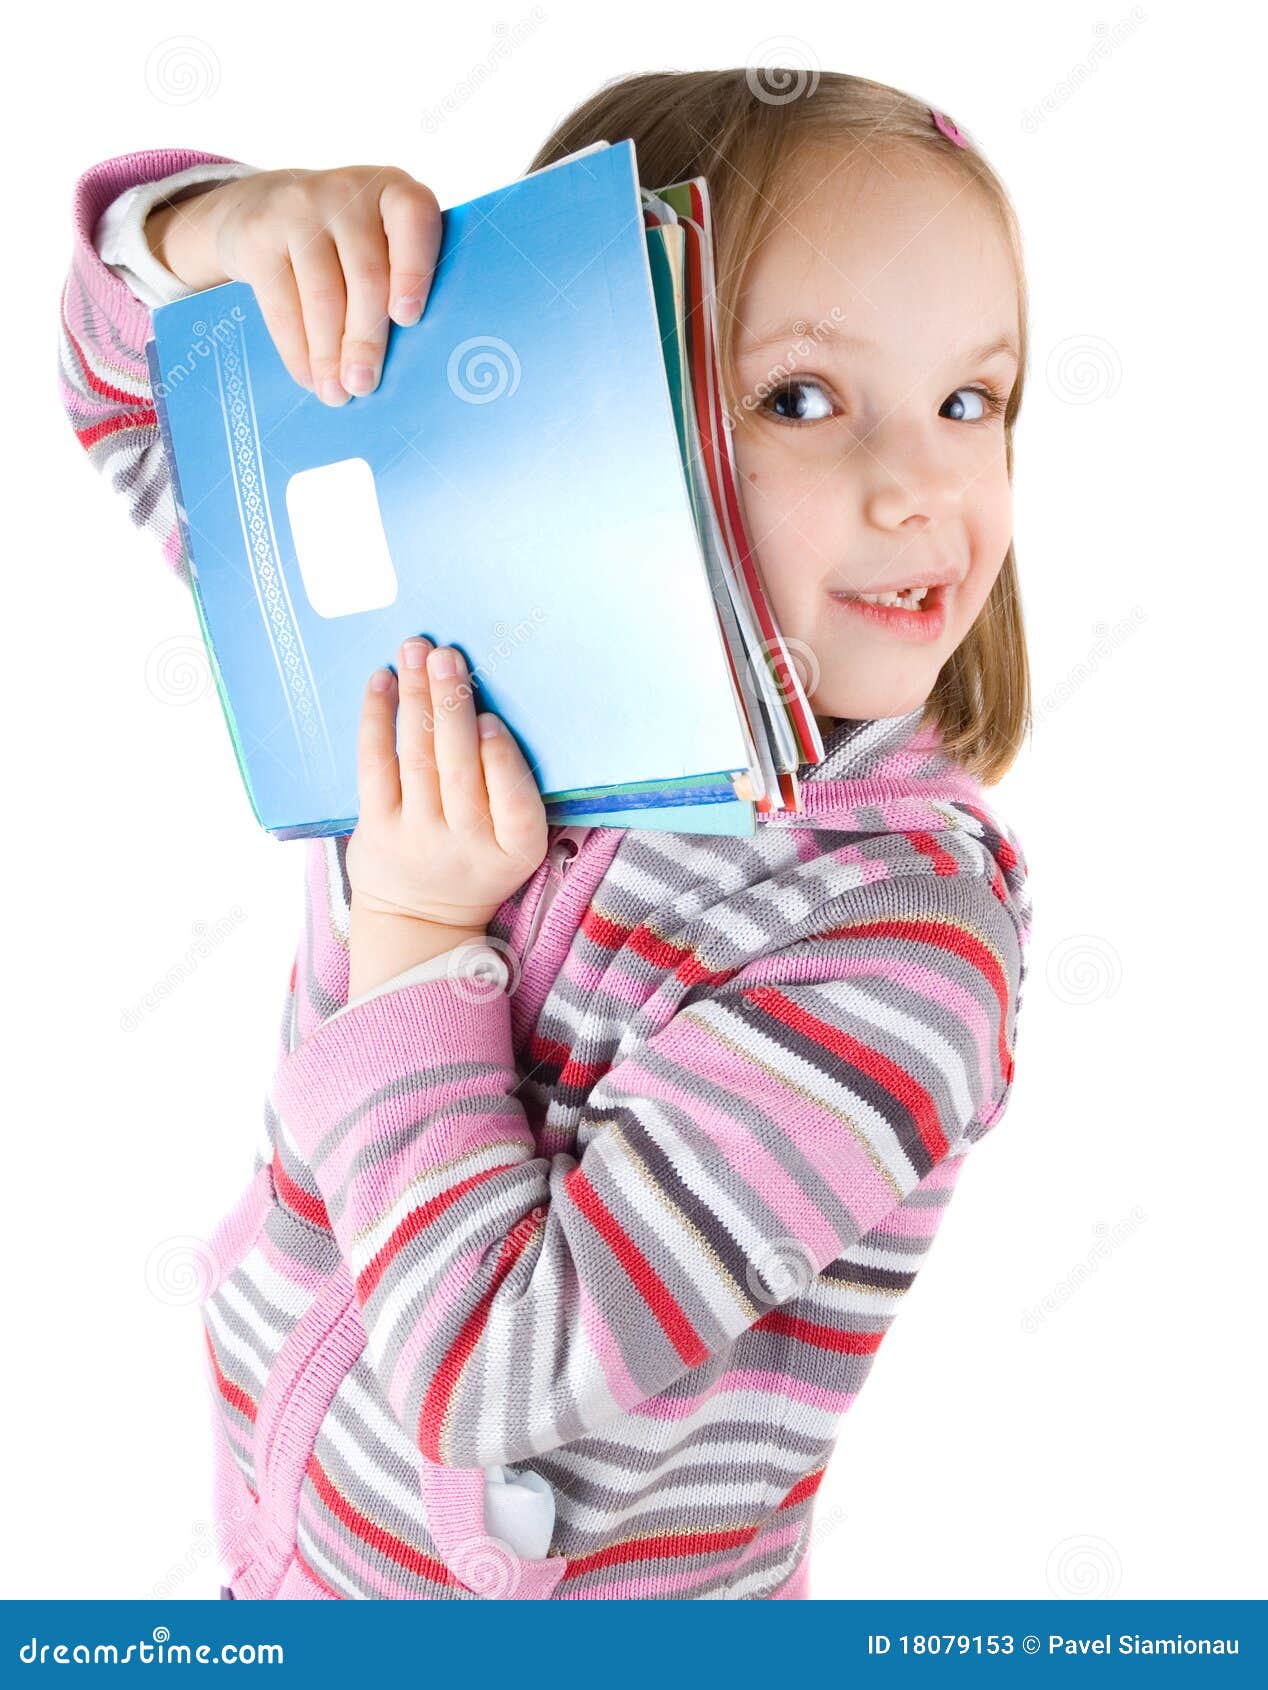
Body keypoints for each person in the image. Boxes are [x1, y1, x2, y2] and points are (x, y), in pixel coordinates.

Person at [58, 67, 1033, 1602]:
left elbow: (493, 1375)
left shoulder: (898, 944)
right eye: (801, 397)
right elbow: (131, 396)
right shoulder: (436, 634)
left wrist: (416, 940)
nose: (922, 485)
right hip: (282, 1553)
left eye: (971, 399)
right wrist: (214, 231)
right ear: (575, 390)